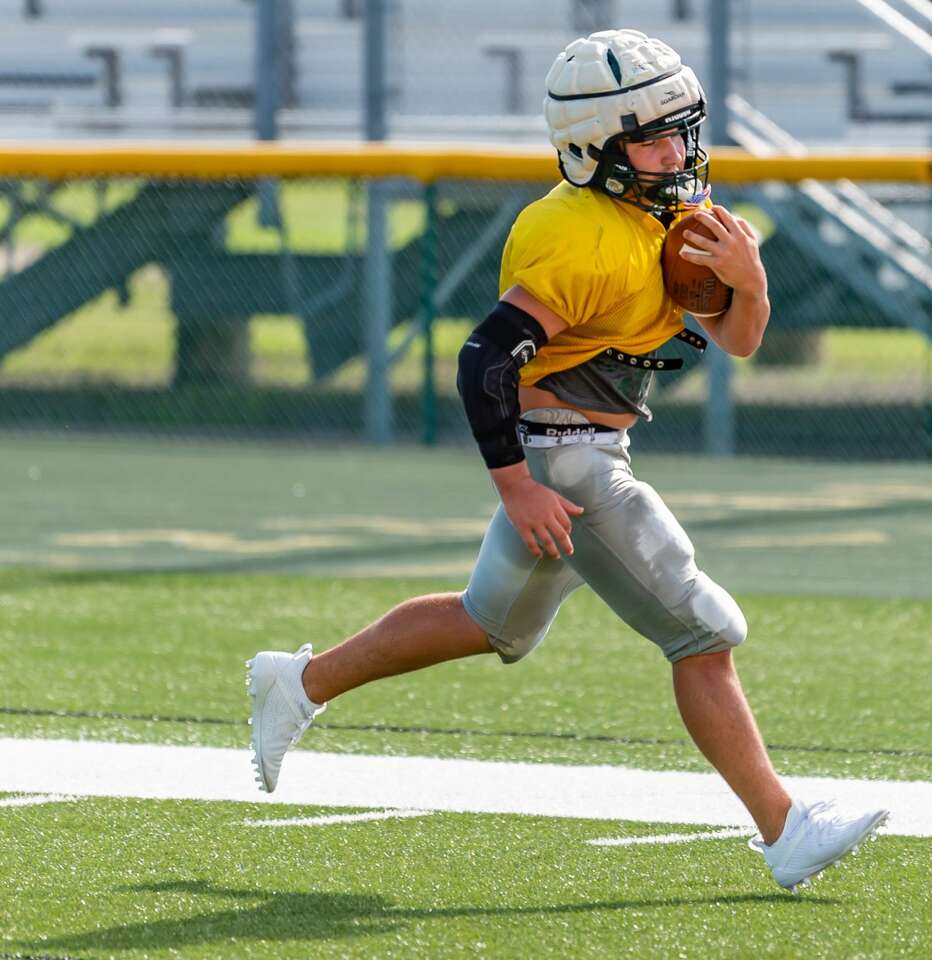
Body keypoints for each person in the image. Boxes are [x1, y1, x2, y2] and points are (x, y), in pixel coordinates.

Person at [246, 28, 887, 893]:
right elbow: (484, 361)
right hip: (566, 463)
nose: (679, 152)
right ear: (596, 150)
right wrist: (517, 488)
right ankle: (785, 828)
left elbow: (737, 341)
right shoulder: (577, 236)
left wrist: (752, 279)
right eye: (655, 138)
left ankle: (297, 683)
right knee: (703, 632)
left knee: (488, 622)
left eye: (683, 130)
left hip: (588, 448)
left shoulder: (669, 214)